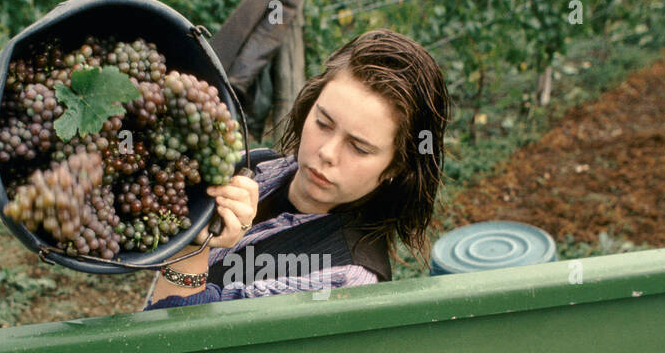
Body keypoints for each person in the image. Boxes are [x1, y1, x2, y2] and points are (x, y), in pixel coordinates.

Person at [144, 28, 452, 309]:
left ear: (394, 167)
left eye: (358, 147)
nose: (327, 152)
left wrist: (196, 245)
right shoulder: (260, 166)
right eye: (323, 123)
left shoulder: (346, 277)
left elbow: (182, 344)